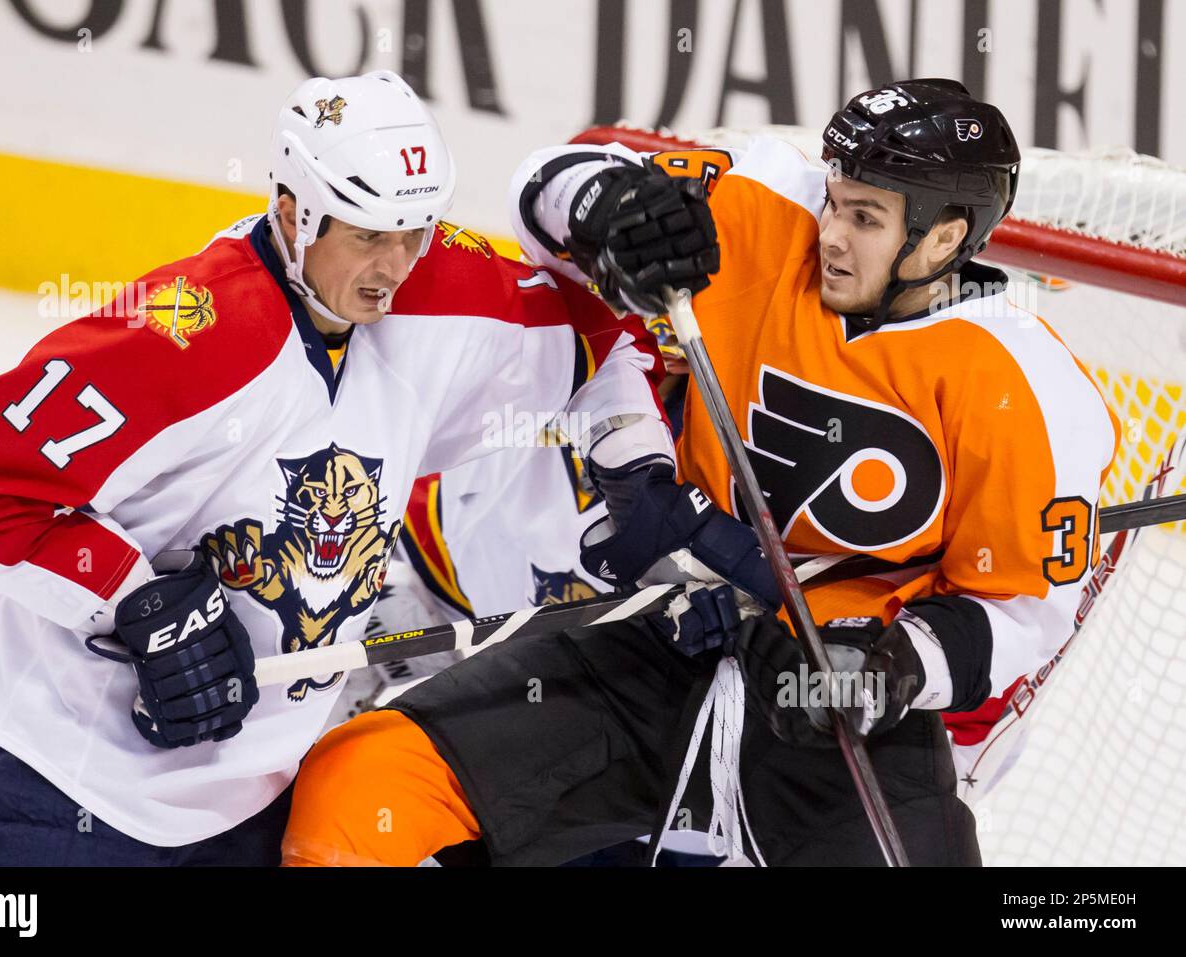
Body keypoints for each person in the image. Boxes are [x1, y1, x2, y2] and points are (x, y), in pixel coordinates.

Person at [280, 79, 1118, 867]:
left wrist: (895, 666)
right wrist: (606, 205)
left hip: (831, 705)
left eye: (865, 217)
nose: (828, 232)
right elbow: (546, 186)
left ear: (945, 236)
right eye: (835, 200)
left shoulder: (1031, 388)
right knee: (360, 783)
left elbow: (1018, 611)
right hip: (660, 635)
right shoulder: (765, 207)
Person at [0, 70, 669, 866]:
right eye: (368, 235)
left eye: (414, 231)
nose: (396, 264)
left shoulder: (437, 291)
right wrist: (134, 601)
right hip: (40, 773)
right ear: (292, 213)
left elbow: (611, 335)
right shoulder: (191, 329)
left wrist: (640, 469)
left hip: (243, 805)